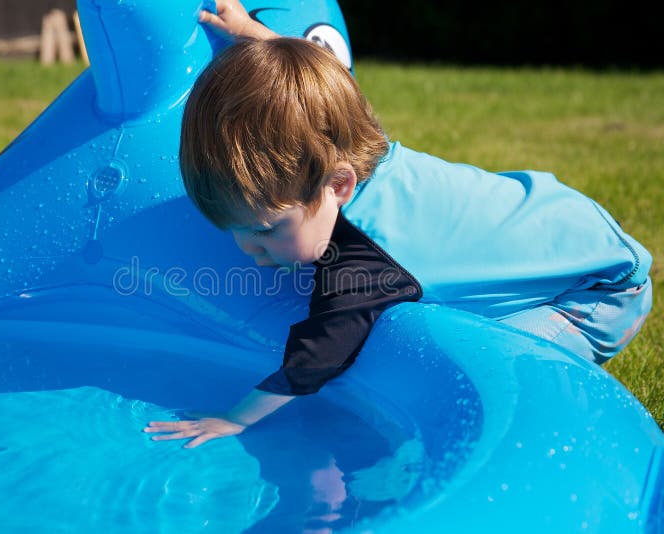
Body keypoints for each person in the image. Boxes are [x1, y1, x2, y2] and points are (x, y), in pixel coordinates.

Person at [144, 0, 653, 448]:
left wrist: (233, 420)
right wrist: (255, 37)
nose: (248, 250)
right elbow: (327, 81)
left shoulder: (362, 259)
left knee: (480, 379)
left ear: (338, 187)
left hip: (599, 294)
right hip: (562, 217)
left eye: (268, 229)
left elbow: (315, 361)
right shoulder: (357, 143)